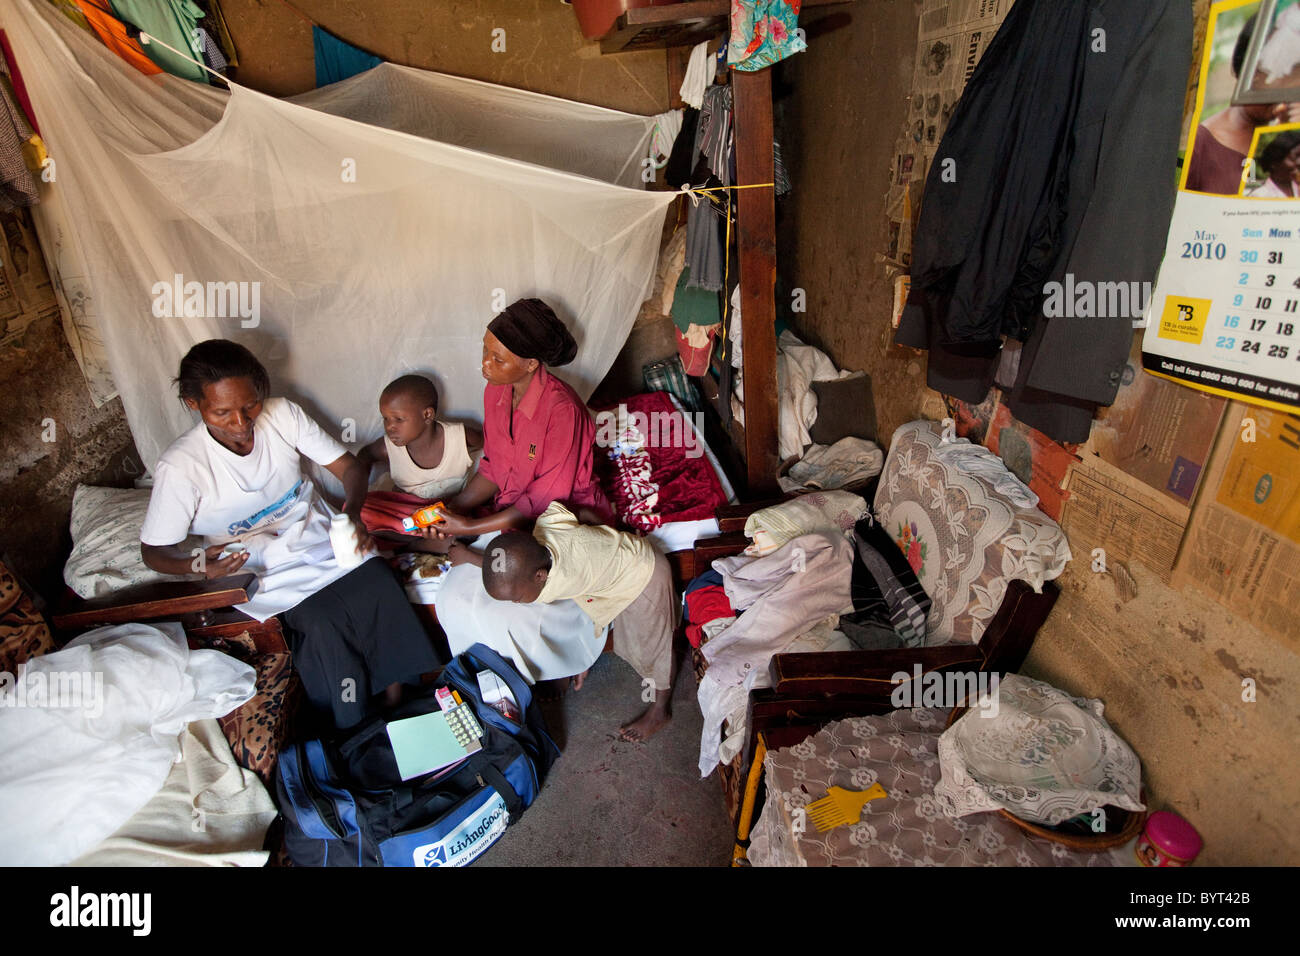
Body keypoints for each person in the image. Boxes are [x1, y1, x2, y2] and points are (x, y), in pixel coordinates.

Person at [139, 340, 443, 730]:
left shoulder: (282, 414)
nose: (241, 421)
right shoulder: (181, 467)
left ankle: (400, 700)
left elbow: (350, 469)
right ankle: (353, 725)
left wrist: (351, 515)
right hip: (258, 565)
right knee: (321, 620)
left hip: (318, 534)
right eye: (222, 412)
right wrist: (199, 565)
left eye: (250, 405)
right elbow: (154, 551)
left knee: (378, 582)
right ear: (193, 404)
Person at [447, 501, 674, 743]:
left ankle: (660, 710)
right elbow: (581, 511)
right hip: (624, 557)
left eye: (517, 598)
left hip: (645, 577)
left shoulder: (560, 579)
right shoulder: (546, 525)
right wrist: (608, 536)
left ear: (540, 576)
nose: (516, 603)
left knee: (653, 649)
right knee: (596, 612)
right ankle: (578, 663)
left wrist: (468, 556)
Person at [432, 297, 612, 539]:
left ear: (531, 364)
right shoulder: (495, 390)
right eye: (485, 350)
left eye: (498, 359)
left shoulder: (563, 411)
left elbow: (545, 500)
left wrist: (470, 527)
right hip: (514, 509)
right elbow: (494, 467)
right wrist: (453, 510)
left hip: (563, 515)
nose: (485, 363)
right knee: (429, 536)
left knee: (506, 558)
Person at [357, 374, 482, 548]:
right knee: (360, 511)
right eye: (385, 418)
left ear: (427, 415)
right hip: (408, 512)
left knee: (475, 520)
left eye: (398, 419)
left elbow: (494, 449)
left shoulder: (460, 437)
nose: (390, 427)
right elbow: (364, 456)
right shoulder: (387, 448)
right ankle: (426, 541)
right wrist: (360, 488)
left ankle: (420, 541)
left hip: (451, 508)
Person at [1187, 13, 1300, 195]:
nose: (1282, 96)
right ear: (1248, 75)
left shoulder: (1286, 138)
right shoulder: (1199, 146)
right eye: (1276, 78)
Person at [1247, 130, 1300, 196]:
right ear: (1274, 163)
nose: (1299, 162)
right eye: (1296, 157)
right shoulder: (1260, 195)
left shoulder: (1297, 187)